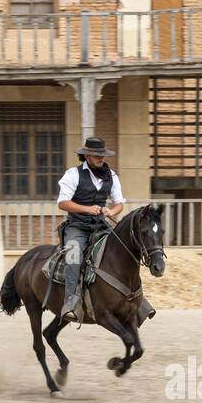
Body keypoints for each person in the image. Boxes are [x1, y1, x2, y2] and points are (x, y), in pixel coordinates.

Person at [55, 136, 125, 323]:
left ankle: (137, 299)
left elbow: (119, 203)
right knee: (73, 255)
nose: (101, 158)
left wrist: (111, 211)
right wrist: (87, 209)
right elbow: (62, 203)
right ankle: (70, 302)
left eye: (102, 155)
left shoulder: (112, 175)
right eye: (96, 155)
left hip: (101, 225)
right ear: (87, 156)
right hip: (77, 226)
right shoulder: (73, 174)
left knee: (123, 250)